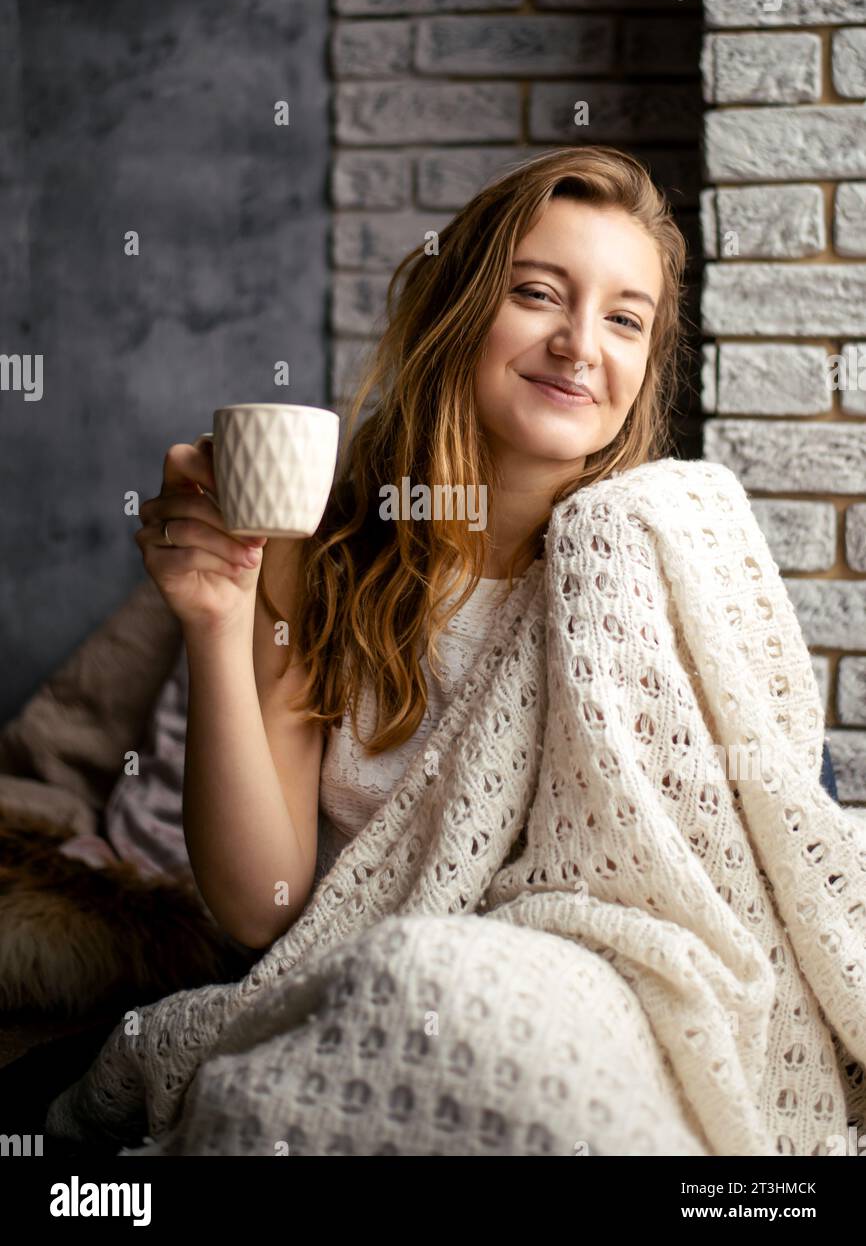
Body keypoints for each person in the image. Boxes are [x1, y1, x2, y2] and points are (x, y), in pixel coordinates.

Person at [130, 144, 817, 956]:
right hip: (387, 981)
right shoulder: (321, 563)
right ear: (458, 311)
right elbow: (261, 911)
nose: (579, 345)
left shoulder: (656, 560)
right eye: (537, 294)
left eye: (625, 319)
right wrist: (216, 620)